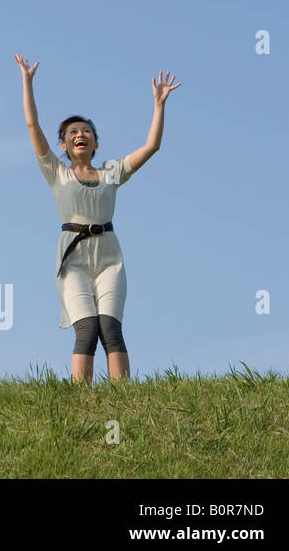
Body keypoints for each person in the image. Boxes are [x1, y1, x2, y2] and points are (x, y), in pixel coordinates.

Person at [14, 54, 180, 382]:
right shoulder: (55, 172)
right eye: (74, 131)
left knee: (111, 329)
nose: (81, 134)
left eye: (87, 131)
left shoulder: (111, 173)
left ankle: (123, 397)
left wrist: (159, 105)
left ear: (95, 143)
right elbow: (33, 125)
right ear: (64, 144)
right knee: (87, 329)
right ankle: (81, 400)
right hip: (73, 260)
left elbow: (152, 146)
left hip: (109, 258)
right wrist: (27, 82)